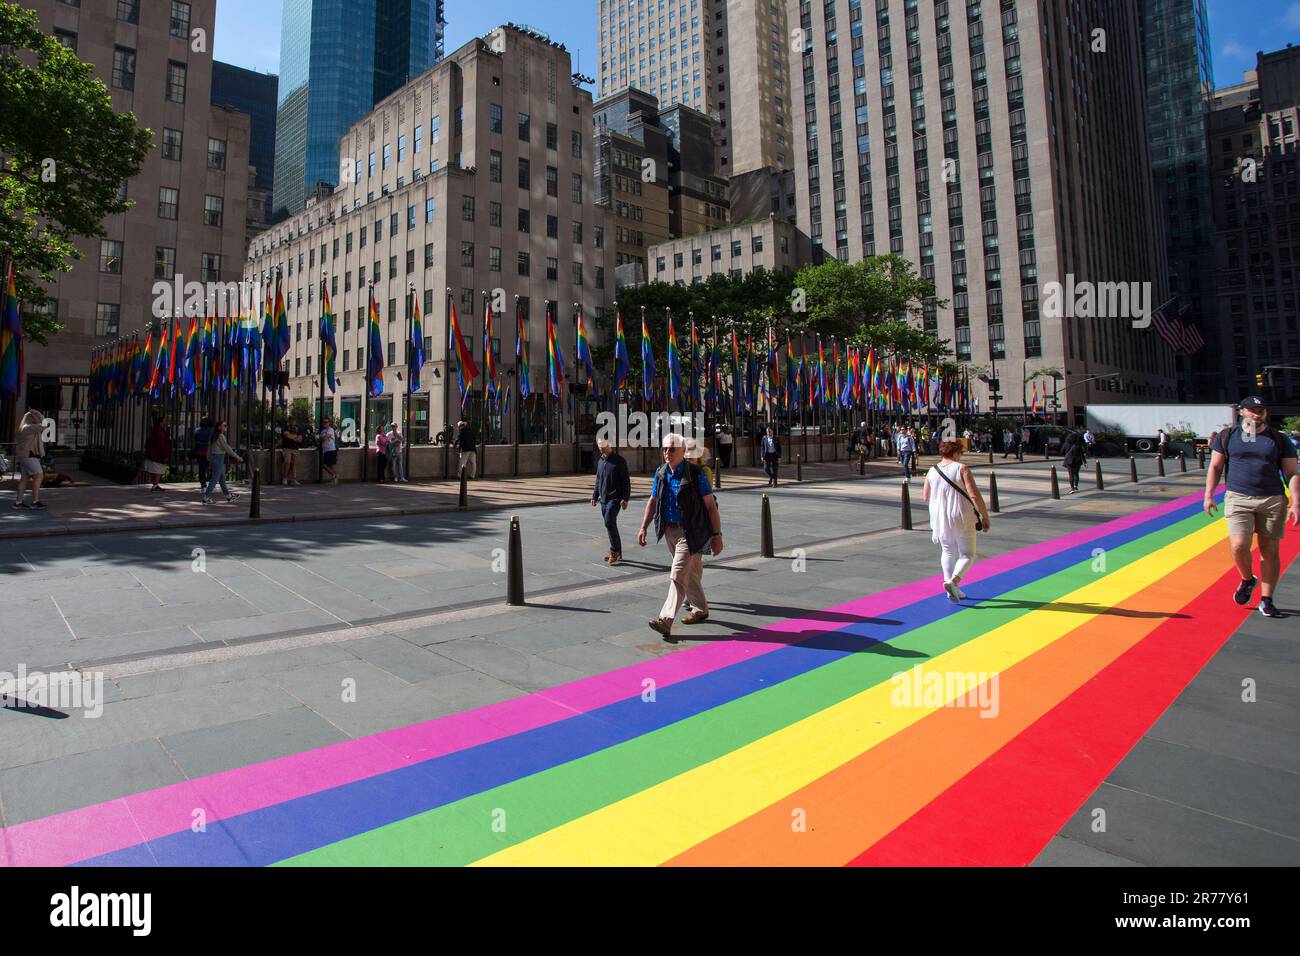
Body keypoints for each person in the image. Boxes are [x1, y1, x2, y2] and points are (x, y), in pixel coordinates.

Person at [1204, 396, 1300, 619]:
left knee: (1269, 550)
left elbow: (1291, 473)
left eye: (1261, 410)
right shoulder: (1227, 436)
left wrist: (1296, 502)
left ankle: (1266, 600)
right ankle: (1248, 579)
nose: (1257, 414)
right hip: (1238, 497)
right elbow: (1216, 467)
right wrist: (1208, 495)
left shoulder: (1279, 439)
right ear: (1242, 412)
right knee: (1239, 545)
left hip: (1272, 499)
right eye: (1252, 410)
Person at [637, 432, 724, 641]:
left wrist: (716, 535)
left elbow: (710, 506)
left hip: (690, 531)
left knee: (677, 573)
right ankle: (701, 608)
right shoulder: (660, 473)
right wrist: (643, 527)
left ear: (683, 451)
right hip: (670, 530)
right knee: (690, 572)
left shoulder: (695, 474)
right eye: (665, 448)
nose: (667, 452)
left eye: (672, 448)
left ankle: (665, 620)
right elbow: (653, 500)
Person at [923, 438, 991, 602]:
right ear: (954, 452)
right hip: (961, 514)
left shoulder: (932, 470)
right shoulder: (962, 468)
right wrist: (985, 516)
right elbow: (974, 494)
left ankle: (949, 587)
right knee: (967, 554)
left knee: (947, 550)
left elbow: (926, 496)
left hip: (940, 516)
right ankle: (954, 581)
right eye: (960, 452)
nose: (961, 456)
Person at [592, 438, 631, 565]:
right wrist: (594, 496)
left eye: (603, 444)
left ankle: (614, 552)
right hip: (603, 499)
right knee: (610, 524)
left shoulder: (619, 461)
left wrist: (625, 498)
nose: (601, 447)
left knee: (609, 521)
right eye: (599, 445)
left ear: (610, 445)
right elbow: (598, 480)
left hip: (615, 499)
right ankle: (617, 552)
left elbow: (626, 481)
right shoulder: (601, 461)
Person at [201, 420, 243, 504]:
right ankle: (206, 498)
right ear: (219, 427)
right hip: (218, 458)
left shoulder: (214, 436)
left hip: (215, 458)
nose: (226, 427)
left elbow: (209, 449)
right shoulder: (220, 436)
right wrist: (238, 457)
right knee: (214, 479)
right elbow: (227, 448)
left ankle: (228, 496)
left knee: (222, 479)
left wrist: (209, 459)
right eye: (225, 425)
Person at [13, 410, 47, 510]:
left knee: (24, 479)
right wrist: (37, 413)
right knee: (38, 476)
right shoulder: (29, 427)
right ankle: (35, 501)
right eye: (35, 417)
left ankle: (18, 502)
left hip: (24, 457)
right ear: (32, 419)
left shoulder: (23, 428)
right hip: (30, 457)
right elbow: (44, 424)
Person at [143, 414, 172, 491]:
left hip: (154, 455)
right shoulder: (159, 432)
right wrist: (165, 455)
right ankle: (155, 485)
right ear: (160, 422)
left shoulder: (156, 431)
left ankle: (155, 485)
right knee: (158, 470)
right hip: (158, 455)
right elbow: (161, 444)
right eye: (165, 421)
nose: (166, 423)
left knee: (154, 470)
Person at [193, 417, 214, 491]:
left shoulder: (197, 430)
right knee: (212, 467)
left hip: (199, 452)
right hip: (209, 452)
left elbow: (195, 440)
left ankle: (203, 484)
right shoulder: (211, 431)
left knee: (201, 468)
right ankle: (210, 480)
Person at [319, 417, 338, 484]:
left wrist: (324, 438)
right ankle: (334, 479)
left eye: (326, 422)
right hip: (325, 450)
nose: (325, 423)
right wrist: (323, 438)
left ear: (329, 423)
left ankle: (334, 475)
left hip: (331, 450)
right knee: (330, 465)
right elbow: (321, 439)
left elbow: (323, 439)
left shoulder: (330, 429)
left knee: (325, 465)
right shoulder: (322, 431)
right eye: (324, 422)